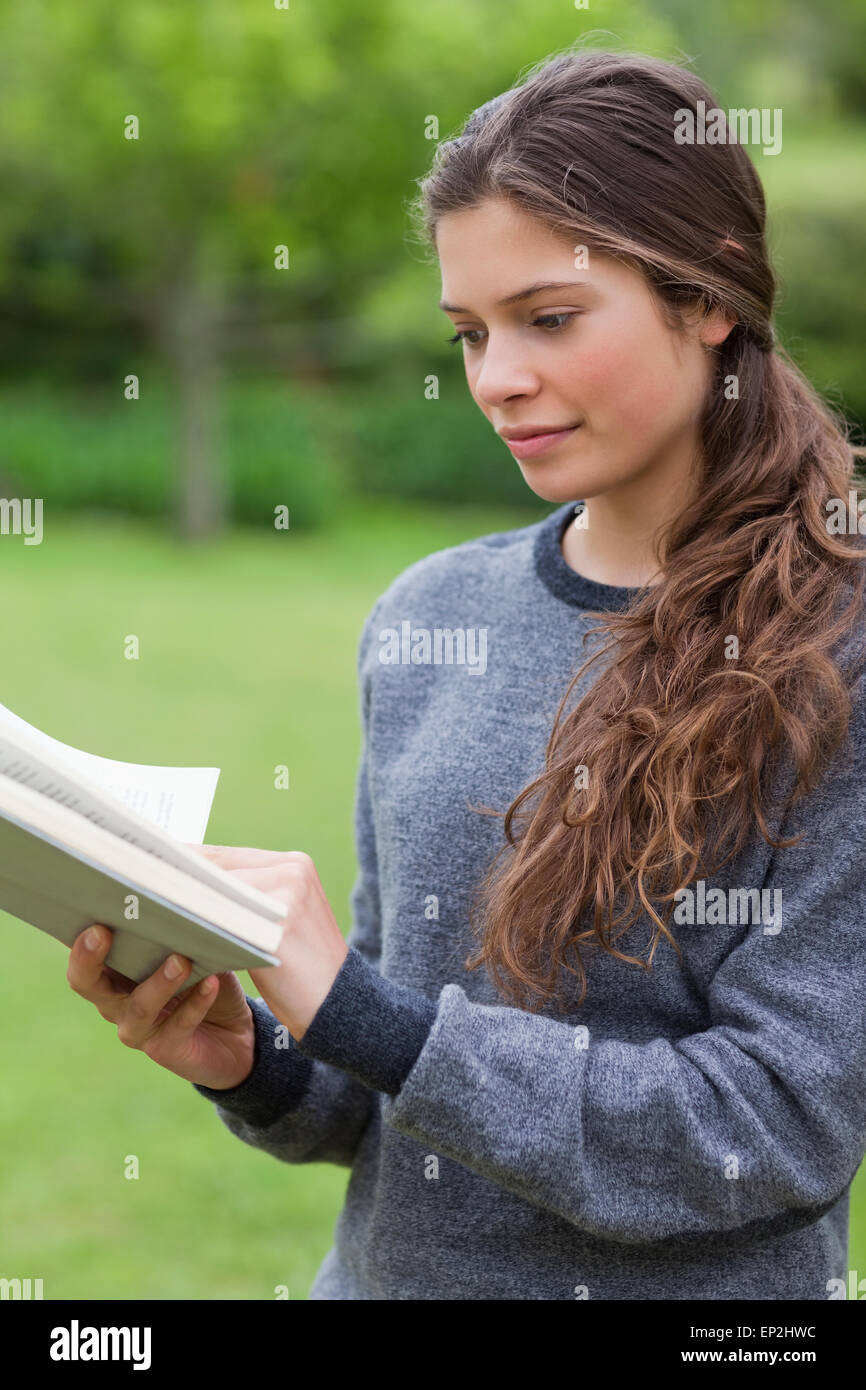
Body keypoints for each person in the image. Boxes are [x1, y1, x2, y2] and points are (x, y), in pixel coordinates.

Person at [67, 48, 866, 1300]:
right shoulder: (428, 615)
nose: (495, 379)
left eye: (547, 319)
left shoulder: (839, 646)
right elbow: (387, 1084)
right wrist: (256, 1057)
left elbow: (771, 1126)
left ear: (706, 297)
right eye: (470, 332)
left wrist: (370, 1019)